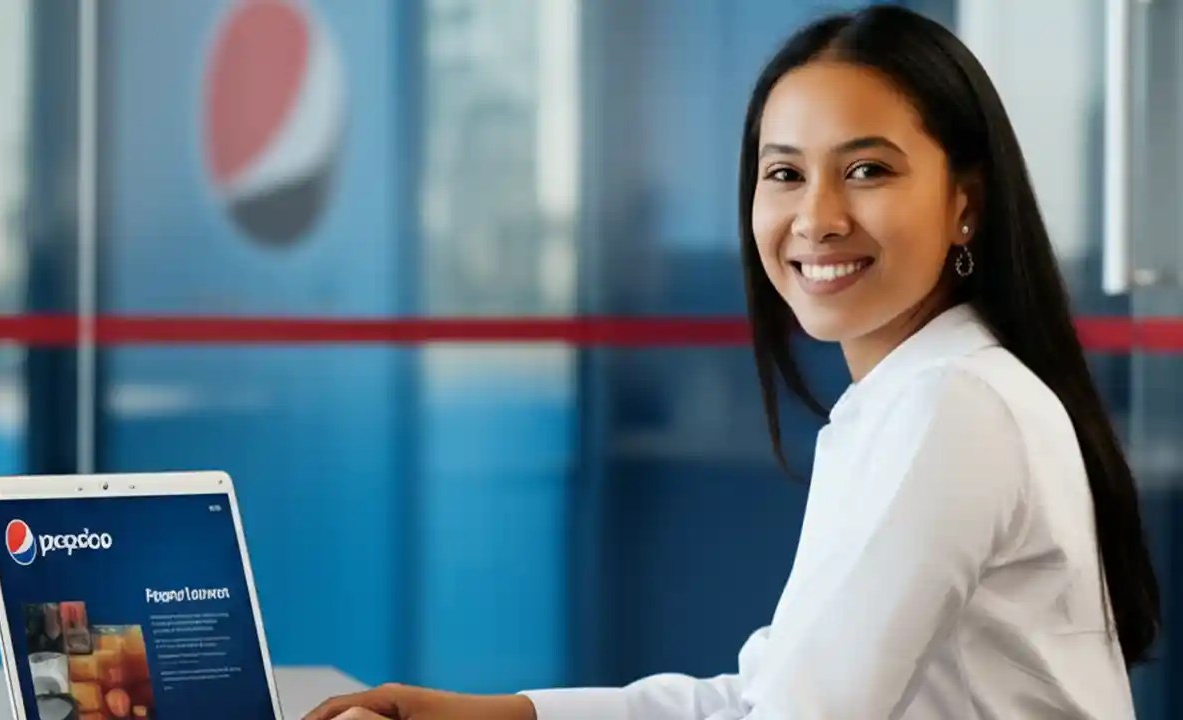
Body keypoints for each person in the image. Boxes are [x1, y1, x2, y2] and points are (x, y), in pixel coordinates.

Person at [305, 6, 1160, 719]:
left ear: (964, 206)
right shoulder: (918, 396)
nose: (816, 218)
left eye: (866, 170)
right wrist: (496, 714)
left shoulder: (953, 406)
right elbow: (761, 696)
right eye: (783, 173)